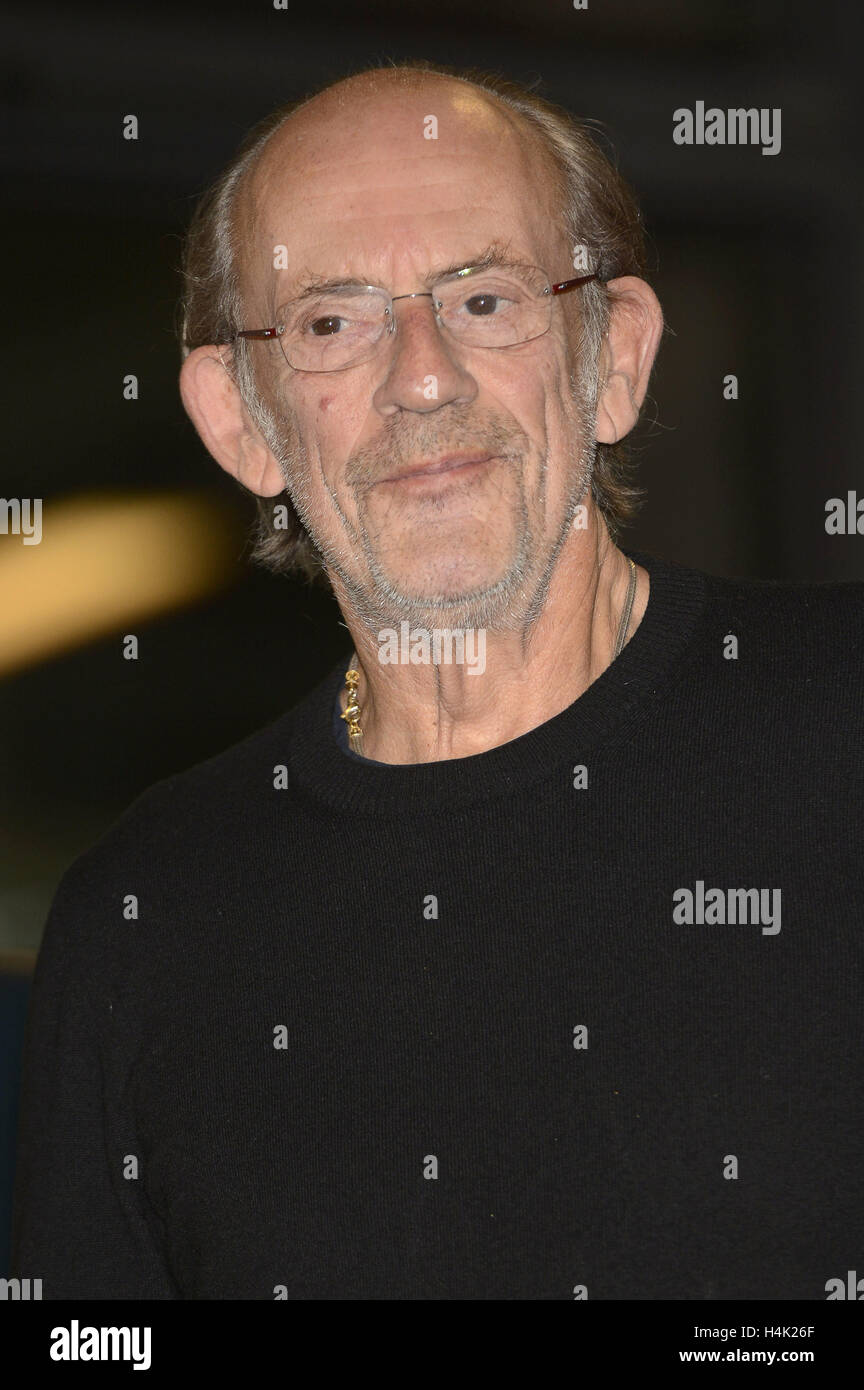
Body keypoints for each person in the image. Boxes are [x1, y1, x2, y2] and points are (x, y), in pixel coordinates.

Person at [10, 61, 864, 1300]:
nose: (422, 375)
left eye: (483, 298)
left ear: (615, 356)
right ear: (242, 421)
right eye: (331, 321)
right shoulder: (144, 920)